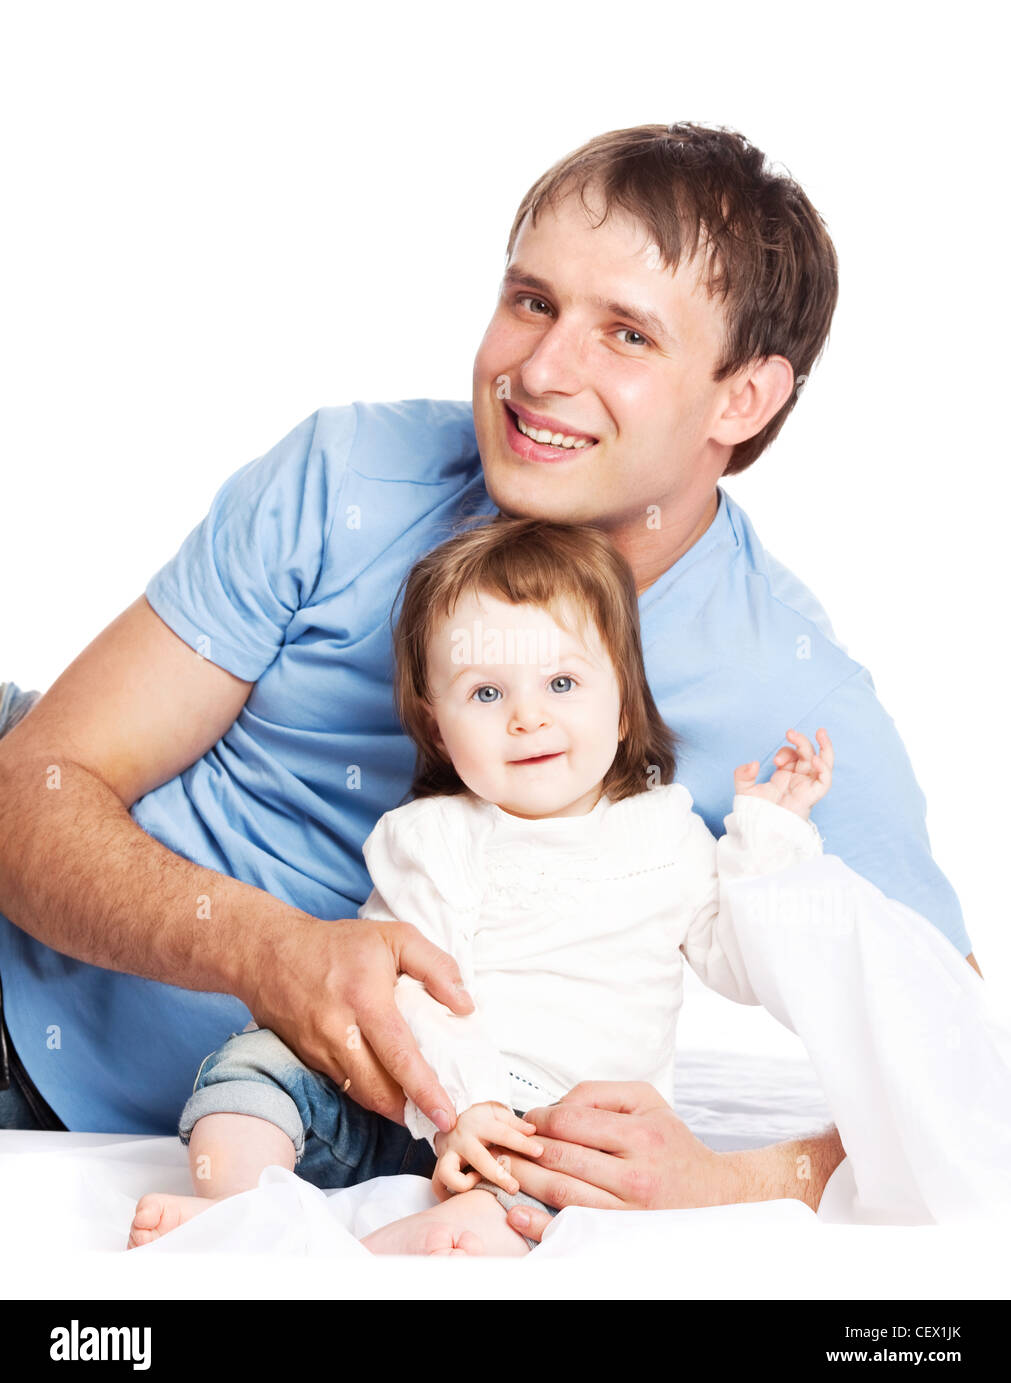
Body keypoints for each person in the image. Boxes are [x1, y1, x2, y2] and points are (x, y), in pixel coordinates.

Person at [0, 123, 979, 1241]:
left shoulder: (783, 693)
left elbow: (956, 1063)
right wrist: (264, 951)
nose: (541, 370)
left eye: (626, 334)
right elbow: (31, 786)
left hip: (280, 1124)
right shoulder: (346, 473)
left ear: (742, 400)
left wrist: (737, 1179)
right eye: (530, 301)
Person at [128, 517, 834, 1255]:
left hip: (545, 1122)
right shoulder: (430, 838)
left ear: (623, 706)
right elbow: (417, 993)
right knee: (258, 1065)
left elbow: (742, 967)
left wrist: (770, 837)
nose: (528, 716)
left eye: (561, 683)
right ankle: (239, 1207)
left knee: (570, 1178)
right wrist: (461, 1106)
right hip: (401, 1096)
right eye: (486, 693)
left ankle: (408, 1244)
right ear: (438, 731)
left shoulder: (671, 838)